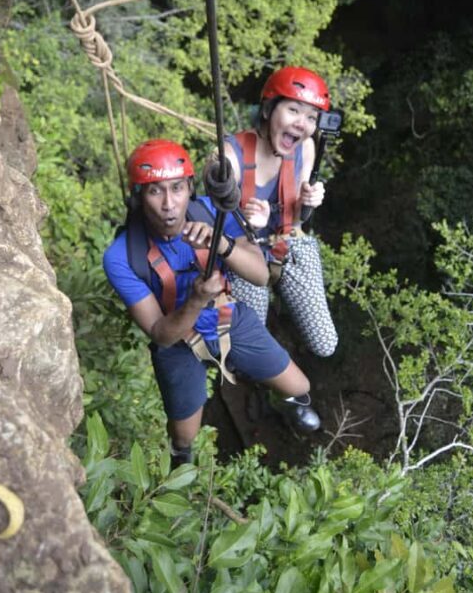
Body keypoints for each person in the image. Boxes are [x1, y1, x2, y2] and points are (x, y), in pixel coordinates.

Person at [103, 139, 321, 467]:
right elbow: (161, 334)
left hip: (227, 316)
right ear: (138, 197)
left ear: (190, 187)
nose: (168, 204)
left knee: (300, 386)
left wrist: (223, 245)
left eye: (177, 188)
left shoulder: (215, 213)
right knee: (184, 436)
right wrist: (195, 299)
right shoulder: (122, 255)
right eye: (155, 191)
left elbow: (261, 276)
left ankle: (287, 402)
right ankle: (182, 456)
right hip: (178, 343)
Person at [209, 66, 338, 359]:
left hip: (286, 245)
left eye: (311, 117)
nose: (302, 124)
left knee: (325, 343)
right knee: (250, 350)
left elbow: (299, 218)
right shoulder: (232, 153)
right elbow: (216, 183)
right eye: (293, 110)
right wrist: (245, 220)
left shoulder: (305, 148)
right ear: (268, 109)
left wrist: (308, 201)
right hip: (243, 254)